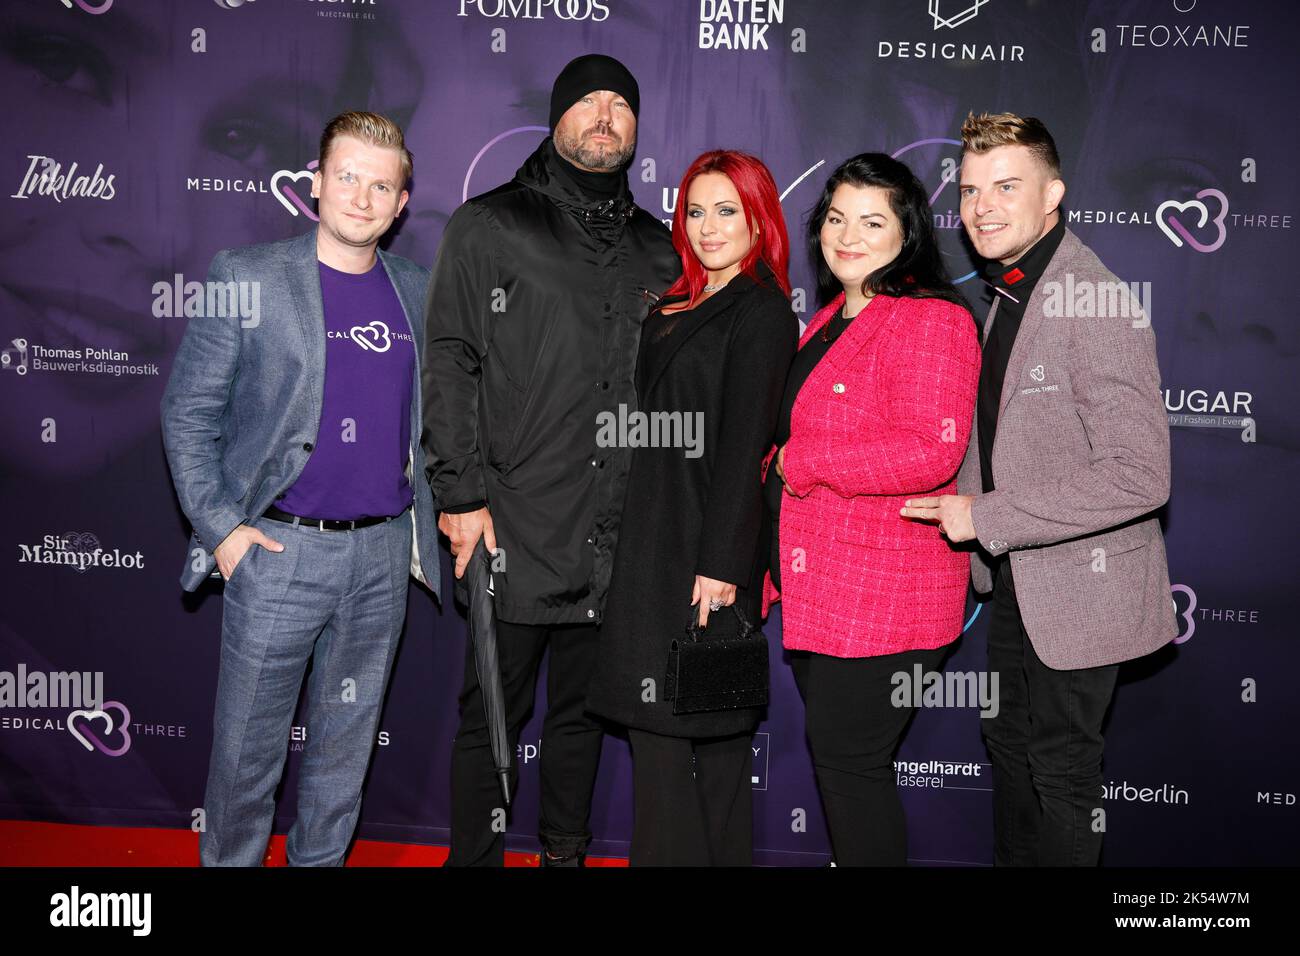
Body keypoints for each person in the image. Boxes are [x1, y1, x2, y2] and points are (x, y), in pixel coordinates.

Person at [160, 111, 441, 866]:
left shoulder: (418, 290)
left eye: (380, 186)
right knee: (246, 761)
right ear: (315, 183)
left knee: (344, 760)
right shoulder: (245, 275)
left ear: (401, 203)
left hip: (382, 558)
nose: (361, 197)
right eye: (346, 177)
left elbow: (431, 422)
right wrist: (223, 531)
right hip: (278, 554)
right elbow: (188, 414)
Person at [422, 54, 678, 867]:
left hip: (617, 535)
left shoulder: (660, 249)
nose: (604, 116)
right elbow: (450, 360)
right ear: (557, 116)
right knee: (491, 718)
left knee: (583, 718)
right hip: (512, 527)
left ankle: (564, 856)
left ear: (635, 127)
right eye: (587, 101)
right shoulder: (490, 224)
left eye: (620, 105)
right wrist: (459, 496)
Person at [901, 112, 1175, 866]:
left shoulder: (1095, 300)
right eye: (970, 190)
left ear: (1053, 195)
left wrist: (985, 516)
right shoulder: (1015, 290)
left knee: (1060, 770)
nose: (982, 207)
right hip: (1021, 577)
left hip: (1083, 588)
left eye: (1006, 186)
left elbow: (1139, 474)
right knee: (1010, 747)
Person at [765, 154, 980, 866]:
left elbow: (931, 449)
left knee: (850, 766)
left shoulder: (932, 318)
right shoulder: (832, 316)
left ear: (907, 232)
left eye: (871, 221)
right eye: (836, 218)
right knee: (844, 764)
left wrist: (803, 463)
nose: (848, 236)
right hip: (821, 588)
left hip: (885, 594)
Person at [586, 150, 797, 866]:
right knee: (673, 738)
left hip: (703, 554)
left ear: (758, 220)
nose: (708, 227)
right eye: (696, 211)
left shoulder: (762, 312)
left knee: (700, 738)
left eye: (727, 211)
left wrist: (723, 566)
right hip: (650, 539)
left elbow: (744, 447)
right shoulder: (675, 305)